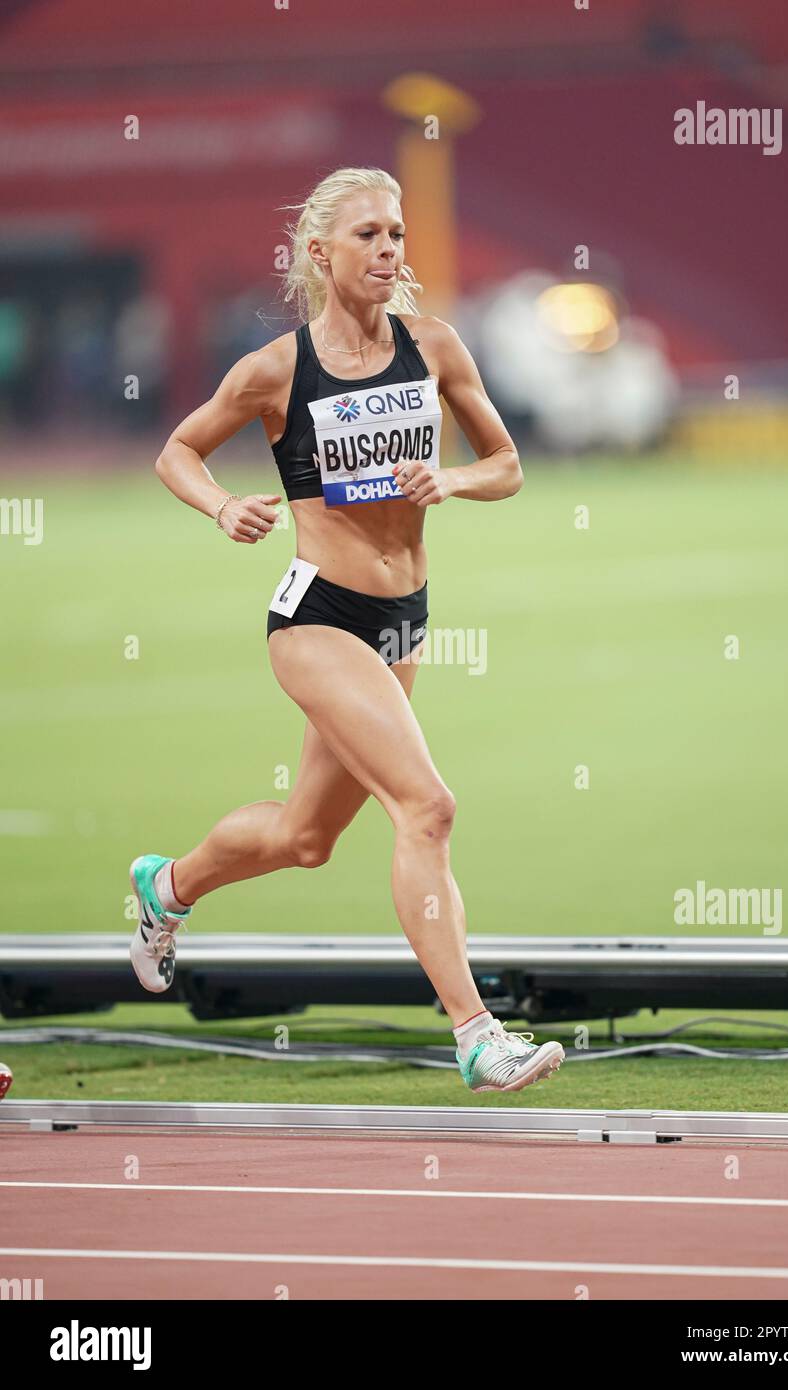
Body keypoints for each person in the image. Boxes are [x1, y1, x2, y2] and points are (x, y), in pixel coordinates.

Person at [129, 166, 564, 1094]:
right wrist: (219, 508)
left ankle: (165, 888)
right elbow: (177, 449)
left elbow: (509, 463)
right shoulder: (277, 370)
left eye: (397, 234)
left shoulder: (436, 347)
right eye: (368, 234)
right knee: (428, 806)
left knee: (304, 838)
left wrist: (452, 481)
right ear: (321, 254)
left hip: (402, 622)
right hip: (318, 618)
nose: (389, 250)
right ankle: (477, 1035)